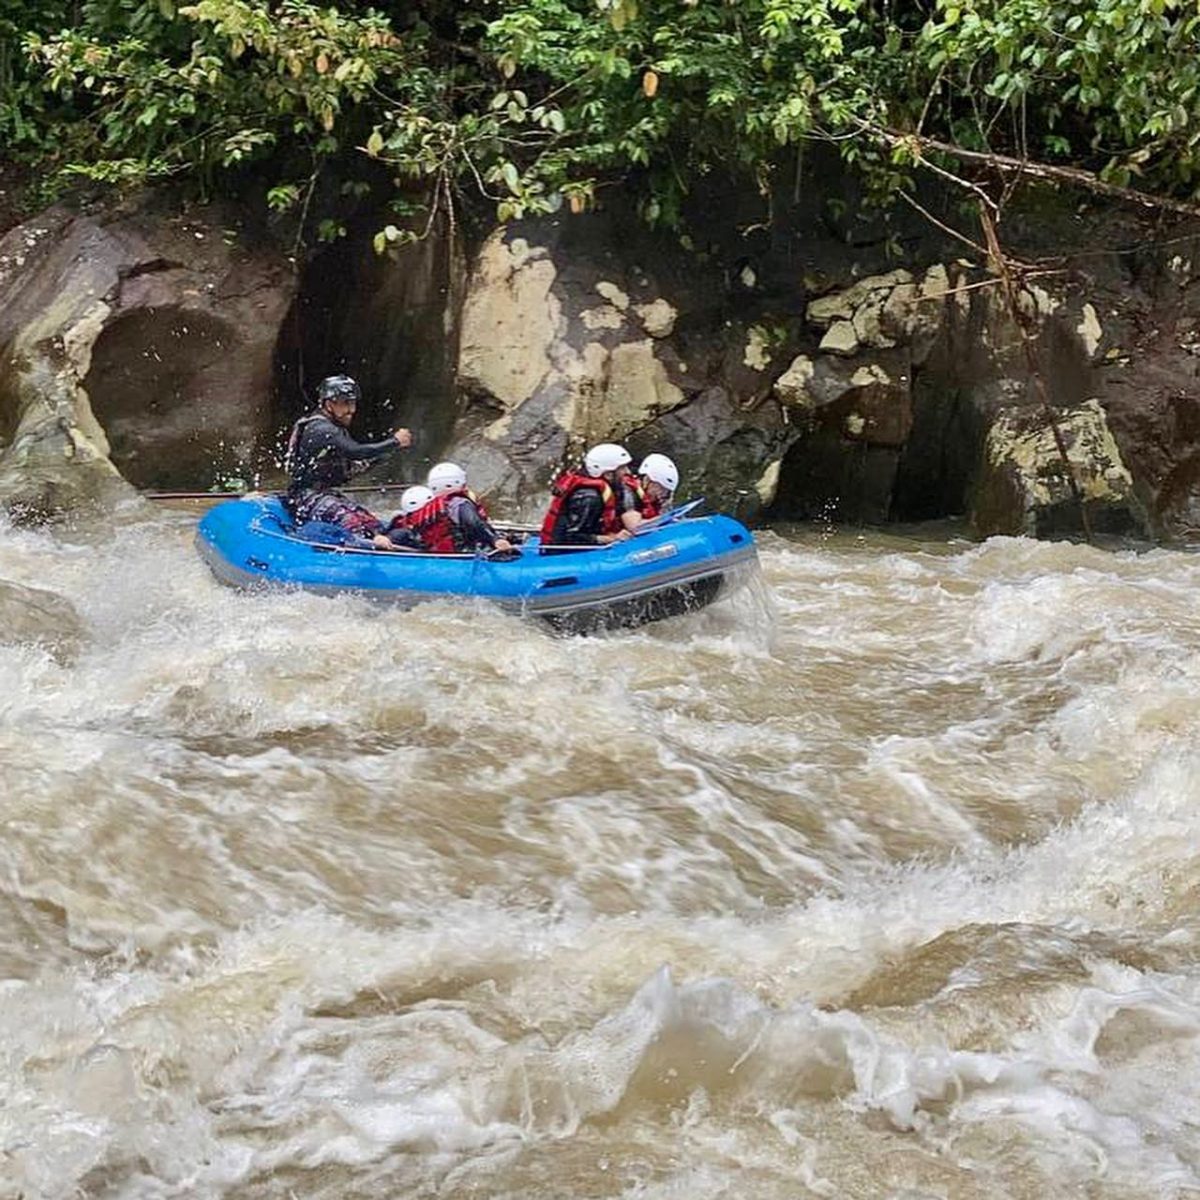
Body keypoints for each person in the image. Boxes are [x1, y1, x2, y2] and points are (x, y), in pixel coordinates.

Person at [284, 374, 412, 549]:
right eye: (345, 403)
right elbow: (356, 452)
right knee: (354, 526)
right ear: (329, 404)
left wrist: (387, 452)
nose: (351, 410)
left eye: (352, 403)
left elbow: (355, 464)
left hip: (325, 493)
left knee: (373, 525)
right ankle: (369, 548)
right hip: (305, 498)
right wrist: (394, 442)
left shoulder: (335, 428)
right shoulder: (321, 429)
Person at [391, 461, 514, 553]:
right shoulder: (458, 503)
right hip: (462, 552)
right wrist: (495, 539)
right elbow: (472, 522)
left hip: (437, 552)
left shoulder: (428, 506)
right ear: (458, 481)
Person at [539, 442, 637, 548]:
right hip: (561, 551)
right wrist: (611, 538)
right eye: (622, 468)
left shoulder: (613, 489)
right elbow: (567, 537)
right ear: (608, 474)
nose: (628, 472)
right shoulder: (589, 498)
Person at [620, 452, 680, 530]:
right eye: (661, 488)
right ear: (647, 480)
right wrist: (663, 518)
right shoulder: (629, 492)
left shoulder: (660, 499)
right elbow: (634, 526)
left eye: (666, 491)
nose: (663, 494)